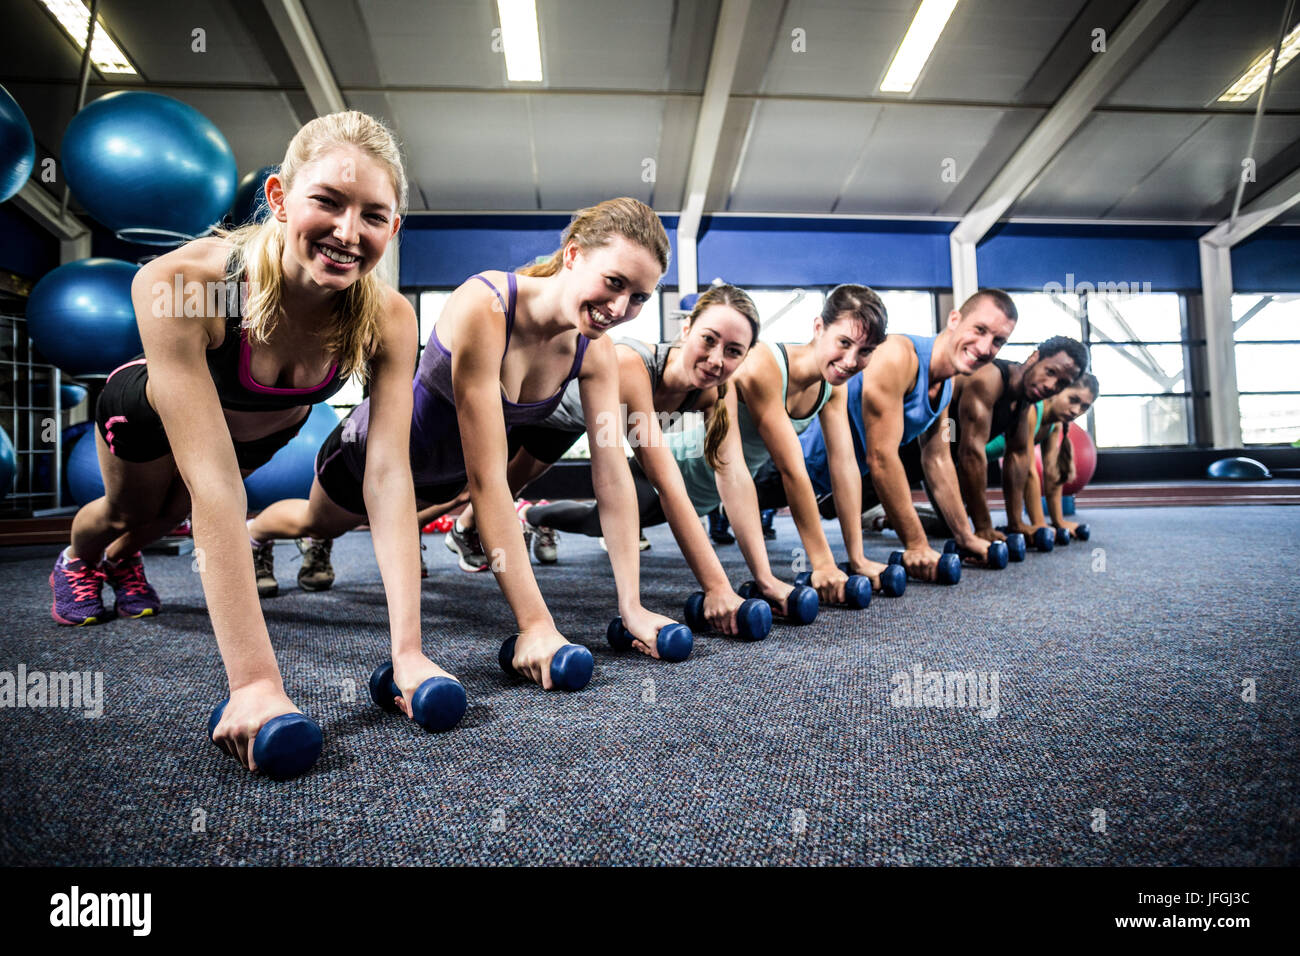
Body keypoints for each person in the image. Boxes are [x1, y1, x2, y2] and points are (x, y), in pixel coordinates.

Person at [51, 111, 433, 772]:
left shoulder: (390, 318)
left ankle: (124, 560)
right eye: (328, 202)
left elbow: (389, 475)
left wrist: (410, 652)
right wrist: (255, 685)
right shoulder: (184, 283)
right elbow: (216, 487)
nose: (348, 232)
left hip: (256, 432)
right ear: (281, 198)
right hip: (149, 413)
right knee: (131, 512)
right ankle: (80, 560)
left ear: (393, 228)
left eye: (374, 215)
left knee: (168, 517)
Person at [250, 197, 685, 680]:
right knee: (319, 521)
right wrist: (535, 625)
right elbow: (489, 480)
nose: (621, 308)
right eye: (615, 282)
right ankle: (256, 534)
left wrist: (633, 606)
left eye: (641, 297)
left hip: (443, 479)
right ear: (574, 255)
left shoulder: (594, 355)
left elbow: (612, 478)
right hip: (372, 453)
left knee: (396, 524)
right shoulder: (488, 305)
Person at [451, 285, 776, 632]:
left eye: (732, 351)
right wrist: (717, 588)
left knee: (510, 483)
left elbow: (735, 476)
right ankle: (435, 533)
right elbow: (667, 485)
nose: (716, 360)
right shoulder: (631, 365)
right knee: (454, 494)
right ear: (686, 329)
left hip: (566, 424)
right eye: (709, 340)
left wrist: (766, 579)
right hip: (526, 406)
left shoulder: (715, 391)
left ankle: (465, 528)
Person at [674, 284, 887, 603]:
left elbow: (843, 467)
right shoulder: (765, 365)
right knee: (593, 520)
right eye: (844, 343)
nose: (850, 360)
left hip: (722, 493)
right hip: (681, 470)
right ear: (818, 328)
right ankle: (566, 521)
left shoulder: (833, 386)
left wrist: (857, 558)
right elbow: (792, 470)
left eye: (865, 351)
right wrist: (823, 563)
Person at [794, 289, 1019, 581]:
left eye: (998, 341)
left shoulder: (947, 387)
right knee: (721, 502)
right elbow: (881, 457)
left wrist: (965, 535)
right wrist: (916, 544)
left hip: (836, 481)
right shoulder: (899, 357)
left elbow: (938, 460)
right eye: (980, 330)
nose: (986, 347)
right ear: (954, 319)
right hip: (790, 467)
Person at [945, 336, 1087, 541]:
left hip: (939, 461)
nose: (1051, 385)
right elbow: (971, 454)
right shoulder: (990, 378)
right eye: (1050, 372)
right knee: (952, 526)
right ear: (1034, 358)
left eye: (1062, 383)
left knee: (955, 524)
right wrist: (984, 527)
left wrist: (1016, 524)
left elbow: (1018, 457)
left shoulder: (1024, 401)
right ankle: (882, 517)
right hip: (911, 455)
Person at [1005, 373, 1099, 538]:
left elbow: (1051, 473)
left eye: (1084, 406)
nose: (1076, 411)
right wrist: (1040, 524)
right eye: (1073, 399)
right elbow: (1028, 471)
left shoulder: (1053, 424)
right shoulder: (1032, 409)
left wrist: (1058, 521)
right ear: (1057, 390)